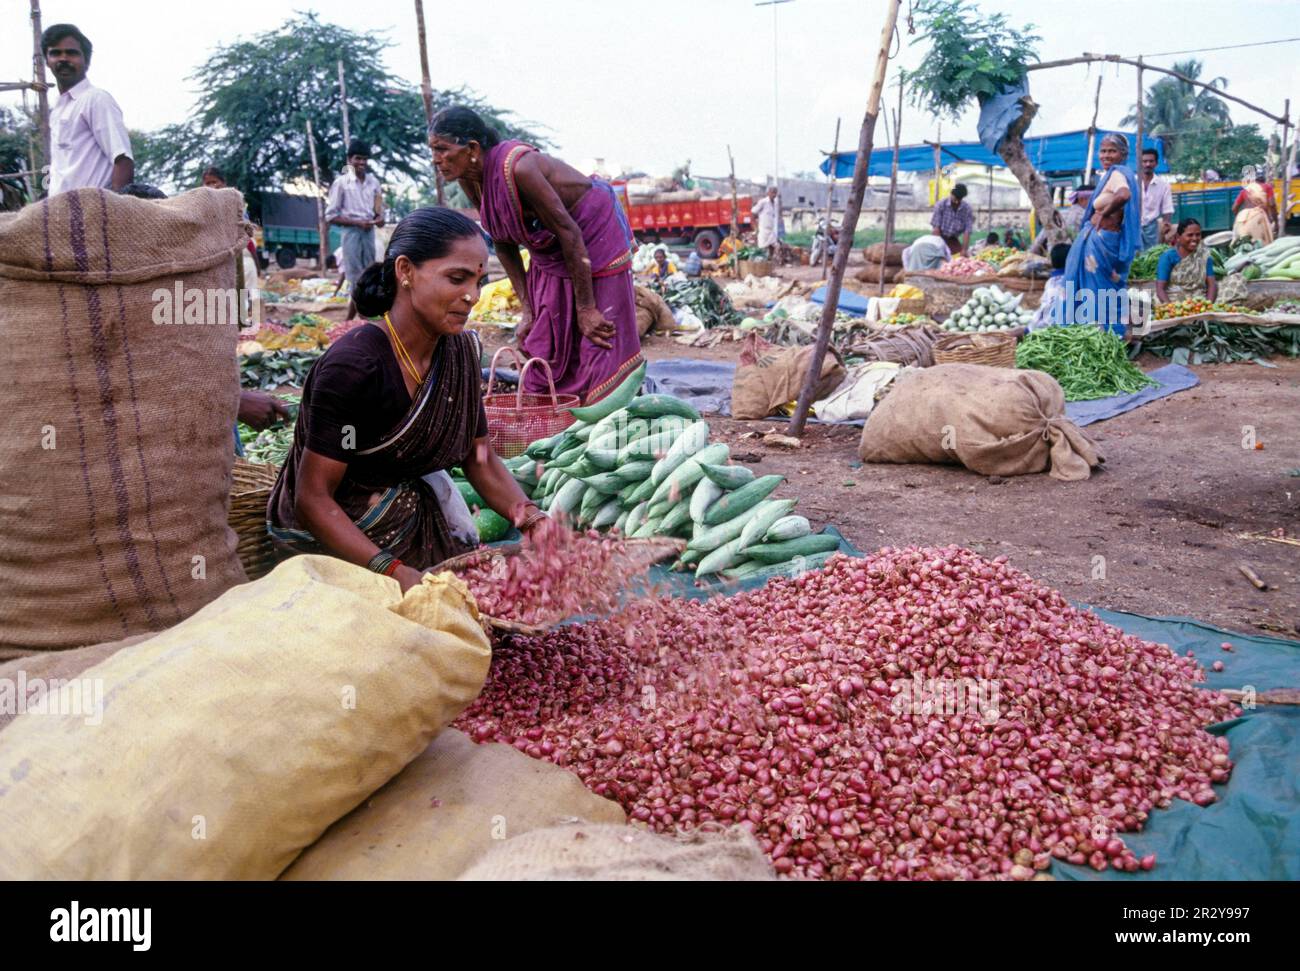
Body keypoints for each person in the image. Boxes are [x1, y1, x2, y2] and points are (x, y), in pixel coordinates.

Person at [267, 207, 550, 591]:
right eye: (457, 278)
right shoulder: (354, 367)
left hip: (411, 517)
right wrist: (394, 572)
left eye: (479, 281)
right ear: (405, 272)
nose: (472, 297)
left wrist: (531, 518)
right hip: (338, 537)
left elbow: (479, 457)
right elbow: (314, 499)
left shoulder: (460, 353)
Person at [430, 106, 643, 405]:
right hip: (549, 244)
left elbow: (570, 234)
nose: (436, 159)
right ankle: (562, 408)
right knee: (545, 331)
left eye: (442, 149)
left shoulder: (519, 169)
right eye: (433, 150)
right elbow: (503, 241)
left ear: (473, 148)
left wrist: (586, 308)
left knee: (597, 332)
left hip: (591, 231)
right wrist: (526, 308)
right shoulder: (470, 177)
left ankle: (604, 409)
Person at [1062, 133, 1140, 334]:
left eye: (1112, 151)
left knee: (1098, 291)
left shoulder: (1117, 174)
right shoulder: (1115, 175)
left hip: (1102, 241)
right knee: (1105, 291)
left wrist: (1103, 212)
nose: (1106, 155)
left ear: (1123, 154)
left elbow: (1124, 195)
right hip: (1105, 240)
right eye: (1103, 151)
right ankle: (1107, 334)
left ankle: (1103, 335)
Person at [42, 24, 133, 196]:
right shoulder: (58, 109)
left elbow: (122, 160)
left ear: (86, 61)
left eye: (72, 53)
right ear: (47, 60)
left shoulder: (96, 99)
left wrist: (116, 216)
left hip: (92, 214)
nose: (63, 59)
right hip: (60, 215)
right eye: (55, 53)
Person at [326, 139, 385, 320]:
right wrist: (357, 224)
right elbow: (331, 216)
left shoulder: (373, 182)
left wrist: (380, 218)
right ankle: (360, 320)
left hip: (369, 232)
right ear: (349, 160)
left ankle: (358, 319)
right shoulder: (341, 183)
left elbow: (379, 211)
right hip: (351, 232)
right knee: (354, 278)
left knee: (370, 275)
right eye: (358, 159)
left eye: (365, 159)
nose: (361, 163)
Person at [1155, 218, 1217, 304]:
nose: (1194, 238)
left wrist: (1208, 305)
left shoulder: (1204, 256)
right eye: (1190, 235)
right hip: (1174, 302)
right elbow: (1160, 289)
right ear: (1178, 237)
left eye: (1198, 235)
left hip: (1199, 302)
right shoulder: (1168, 257)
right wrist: (1170, 308)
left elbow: (1211, 285)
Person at [1030, 184, 1093, 255]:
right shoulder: (1088, 217)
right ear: (1082, 199)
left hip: (1054, 260)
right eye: (1093, 200)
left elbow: (1038, 243)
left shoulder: (1058, 214)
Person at [1029, 243, 1073, 329]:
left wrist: (1029, 329)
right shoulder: (1073, 280)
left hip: (1048, 326)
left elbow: (1044, 307)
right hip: (1064, 327)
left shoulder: (1051, 282)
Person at [1138, 147, 1174, 250]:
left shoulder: (1163, 185)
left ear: (1156, 163)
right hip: (1134, 226)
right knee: (1135, 258)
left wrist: (1166, 225)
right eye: (1144, 161)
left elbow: (1167, 208)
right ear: (1140, 163)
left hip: (1152, 228)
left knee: (1151, 255)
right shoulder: (1133, 182)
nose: (1147, 164)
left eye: (1151, 161)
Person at [1232, 165, 1276, 245]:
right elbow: (1272, 204)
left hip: (1241, 221)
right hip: (1258, 220)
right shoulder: (1267, 187)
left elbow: (1234, 208)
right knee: (1263, 248)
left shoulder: (1246, 190)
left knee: (1244, 248)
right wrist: (1275, 220)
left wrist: (1241, 217)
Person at [931, 183, 974, 255]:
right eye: (955, 198)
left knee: (960, 258)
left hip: (953, 239)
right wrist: (939, 248)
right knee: (939, 255)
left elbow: (967, 232)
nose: (957, 201)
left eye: (959, 199)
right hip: (939, 237)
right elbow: (936, 228)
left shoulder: (967, 209)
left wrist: (964, 249)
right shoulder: (941, 204)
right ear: (951, 194)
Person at [753, 186, 781, 259]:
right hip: (763, 229)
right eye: (772, 192)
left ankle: (769, 261)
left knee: (775, 246)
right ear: (768, 193)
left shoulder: (776, 202)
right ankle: (762, 263)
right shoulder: (763, 202)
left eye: (775, 193)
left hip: (771, 230)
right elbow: (753, 212)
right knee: (762, 247)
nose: (774, 195)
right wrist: (755, 226)